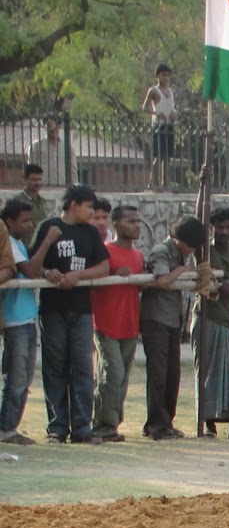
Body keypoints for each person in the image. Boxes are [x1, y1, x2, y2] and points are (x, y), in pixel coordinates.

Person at [30, 185, 112, 444]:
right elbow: (32, 266)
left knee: (83, 369)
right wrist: (47, 272)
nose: (92, 212)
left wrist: (78, 275)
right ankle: (57, 428)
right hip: (53, 309)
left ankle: (82, 428)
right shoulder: (49, 226)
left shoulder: (90, 232)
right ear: (74, 205)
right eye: (89, 207)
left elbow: (104, 267)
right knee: (55, 368)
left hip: (82, 310)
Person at [131, 215, 202, 442]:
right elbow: (161, 280)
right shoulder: (161, 251)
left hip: (172, 319)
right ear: (179, 239)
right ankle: (156, 425)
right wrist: (180, 271)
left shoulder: (182, 254)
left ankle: (166, 422)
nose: (191, 251)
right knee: (158, 374)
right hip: (156, 318)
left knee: (173, 375)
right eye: (190, 246)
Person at [83, 203, 143, 442]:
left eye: (138, 221)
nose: (137, 226)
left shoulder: (138, 256)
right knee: (111, 374)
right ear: (116, 224)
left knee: (123, 377)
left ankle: (113, 423)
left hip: (130, 324)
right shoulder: (105, 252)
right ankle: (103, 425)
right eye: (131, 221)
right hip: (106, 324)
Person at [191, 207, 229, 438]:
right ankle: (208, 424)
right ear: (212, 228)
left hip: (228, 321)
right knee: (207, 373)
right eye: (219, 227)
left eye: (228, 227)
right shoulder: (205, 250)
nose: (224, 231)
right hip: (207, 318)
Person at [1, 198, 44, 445]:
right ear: (9, 221)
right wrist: (47, 241)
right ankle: (6, 428)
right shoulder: (9, 244)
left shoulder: (18, 244)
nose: (29, 225)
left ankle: (11, 426)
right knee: (16, 378)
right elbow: (30, 271)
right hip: (14, 320)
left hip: (26, 318)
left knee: (24, 378)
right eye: (24, 221)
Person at [143, 64, 177, 188]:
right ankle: (153, 183)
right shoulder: (154, 91)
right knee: (159, 156)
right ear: (158, 76)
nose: (166, 78)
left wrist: (174, 113)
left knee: (167, 157)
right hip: (159, 126)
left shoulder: (170, 92)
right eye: (163, 75)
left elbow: (172, 107)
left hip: (169, 125)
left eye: (168, 75)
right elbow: (145, 108)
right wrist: (157, 113)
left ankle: (165, 184)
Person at [12, 164, 48, 230]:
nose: (37, 183)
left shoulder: (43, 201)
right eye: (34, 180)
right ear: (25, 180)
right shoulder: (17, 200)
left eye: (39, 179)